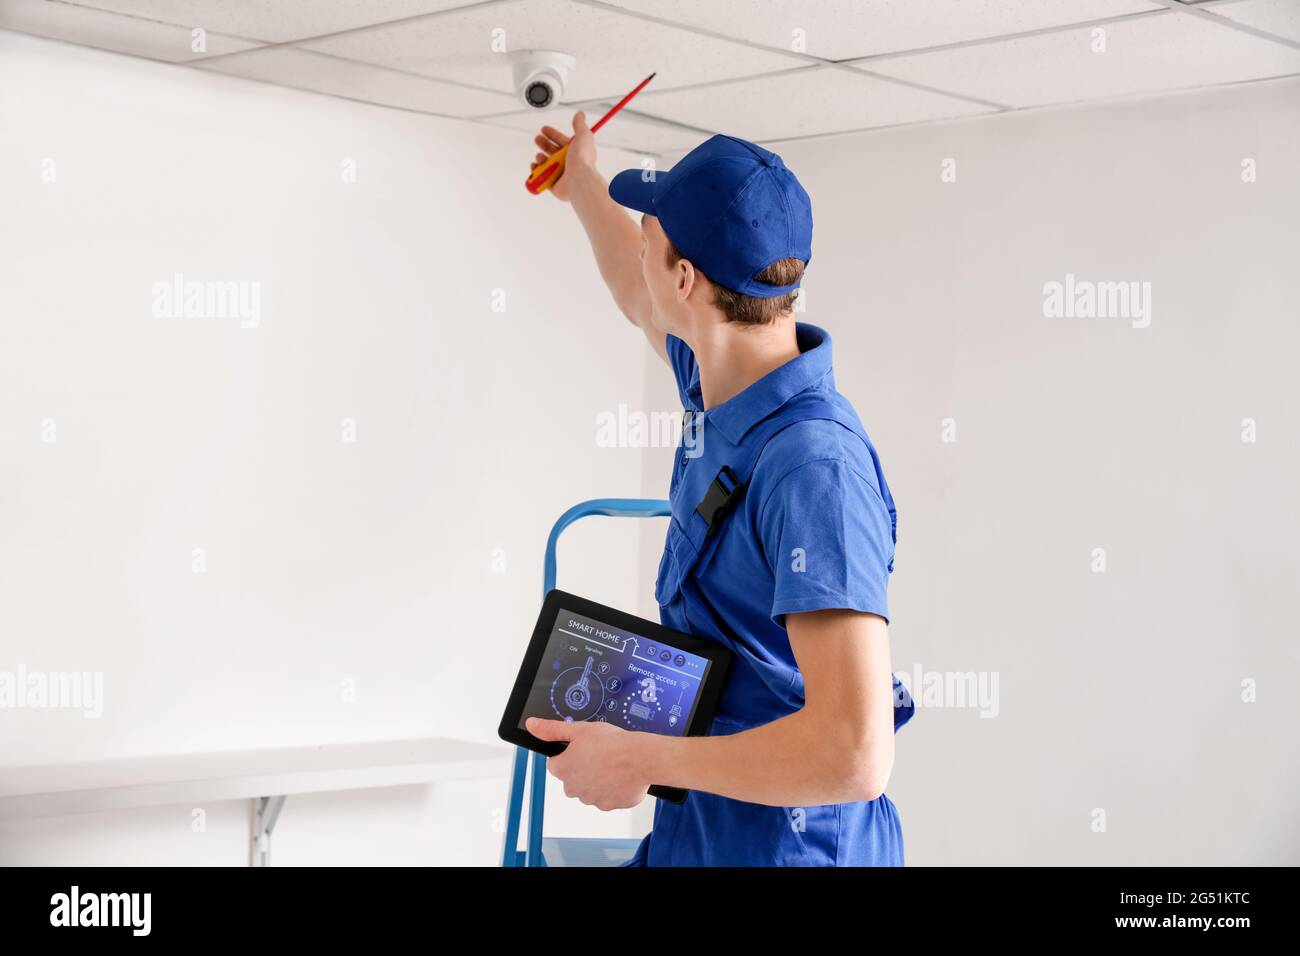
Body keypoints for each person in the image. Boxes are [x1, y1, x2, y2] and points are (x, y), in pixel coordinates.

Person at [523, 112, 914, 866]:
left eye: (653, 239)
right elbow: (630, 285)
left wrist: (641, 759)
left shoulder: (812, 469)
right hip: (705, 827)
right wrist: (581, 183)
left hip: (790, 848)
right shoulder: (719, 382)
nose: (639, 247)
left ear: (685, 279)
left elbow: (856, 755)